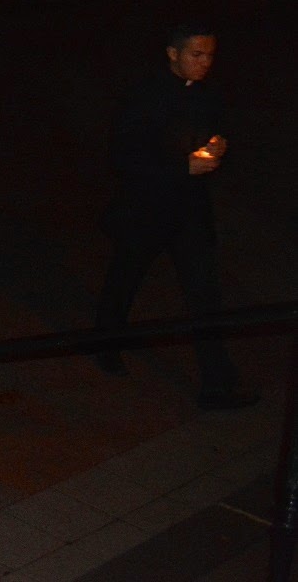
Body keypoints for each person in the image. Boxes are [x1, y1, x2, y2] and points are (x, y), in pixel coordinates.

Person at [94, 23, 256, 409]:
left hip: (189, 214)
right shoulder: (144, 96)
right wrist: (181, 167)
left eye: (210, 56)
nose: (204, 63)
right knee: (124, 279)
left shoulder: (208, 96)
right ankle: (105, 343)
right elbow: (126, 156)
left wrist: (218, 150)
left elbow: (219, 136)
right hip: (146, 210)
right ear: (173, 54)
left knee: (204, 293)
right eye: (196, 55)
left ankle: (216, 382)